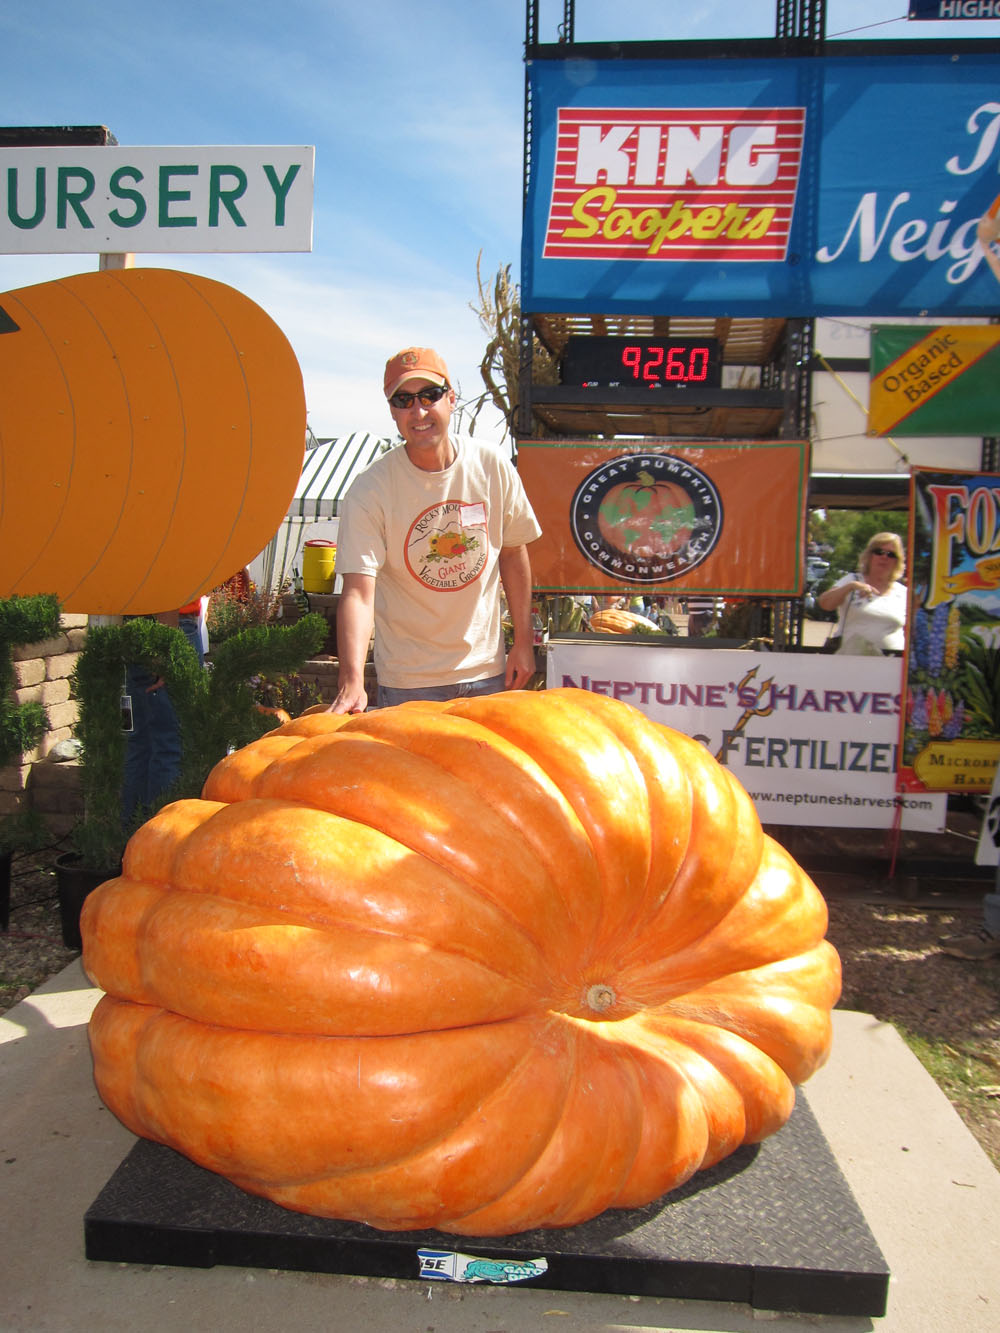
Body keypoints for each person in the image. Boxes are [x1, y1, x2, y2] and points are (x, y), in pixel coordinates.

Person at [331, 346, 542, 713]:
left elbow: (513, 552)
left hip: (486, 673)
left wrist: (523, 641)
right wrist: (351, 679)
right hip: (408, 683)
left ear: (451, 399)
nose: (419, 411)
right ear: (393, 411)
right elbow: (359, 593)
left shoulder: (492, 466)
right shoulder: (370, 490)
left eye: (430, 395)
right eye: (404, 400)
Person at [816, 532, 907, 655]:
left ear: (897, 561)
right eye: (879, 552)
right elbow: (825, 603)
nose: (884, 557)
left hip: (892, 662)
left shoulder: (903, 592)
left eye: (891, 554)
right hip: (852, 659)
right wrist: (850, 587)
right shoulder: (852, 580)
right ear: (869, 556)